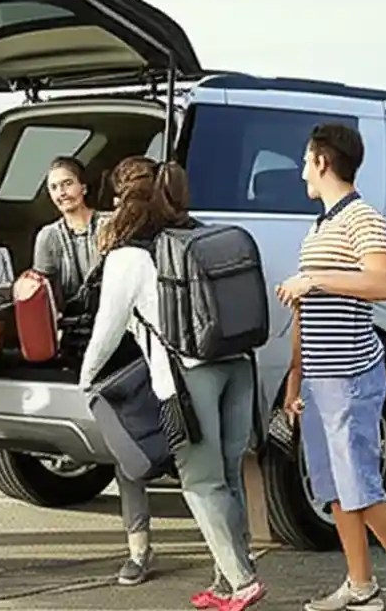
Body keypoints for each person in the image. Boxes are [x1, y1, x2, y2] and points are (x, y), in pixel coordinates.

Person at [78, 157, 266, 611]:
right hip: (238, 365)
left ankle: (241, 583)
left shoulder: (128, 255)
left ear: (124, 198)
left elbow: (108, 329)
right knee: (227, 477)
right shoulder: (200, 235)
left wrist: (86, 378)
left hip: (187, 376)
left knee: (200, 483)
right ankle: (226, 580)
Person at [276, 124, 386, 611]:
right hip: (320, 378)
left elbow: (382, 283)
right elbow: (307, 311)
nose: (302, 171)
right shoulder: (319, 226)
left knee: (361, 484)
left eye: (305, 161)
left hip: (352, 376)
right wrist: (295, 377)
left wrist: (313, 278)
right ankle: (361, 586)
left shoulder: (362, 217)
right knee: (332, 489)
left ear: (321, 161)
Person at [27, 157, 159, 585]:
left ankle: (139, 550)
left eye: (67, 184)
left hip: (122, 344)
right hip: (79, 346)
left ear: (83, 187)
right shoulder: (48, 238)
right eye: (53, 188)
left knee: (128, 450)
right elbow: (49, 301)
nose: (61, 193)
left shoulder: (112, 224)